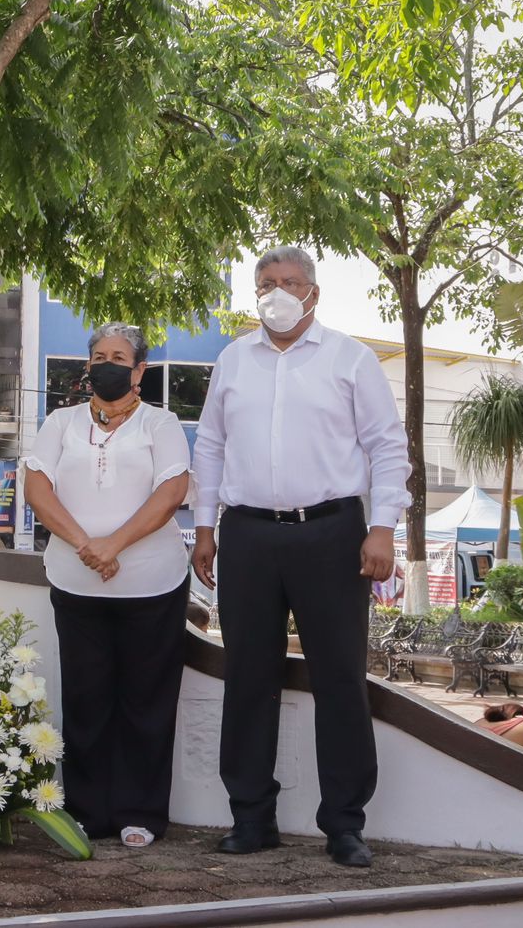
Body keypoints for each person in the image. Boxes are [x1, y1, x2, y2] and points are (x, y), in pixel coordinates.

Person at [191, 245, 410, 870]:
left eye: (289, 281)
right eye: (266, 283)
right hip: (247, 534)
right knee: (248, 676)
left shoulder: (351, 358)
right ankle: (250, 818)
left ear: (313, 292)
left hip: (332, 533)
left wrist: (383, 528)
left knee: (339, 677)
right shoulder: (233, 360)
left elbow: (387, 447)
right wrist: (204, 529)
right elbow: (210, 446)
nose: (277, 293)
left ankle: (344, 824)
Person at [24, 323, 193, 850]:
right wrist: (86, 545)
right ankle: (88, 812)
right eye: (99, 356)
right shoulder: (60, 422)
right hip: (77, 584)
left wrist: (114, 543)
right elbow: (36, 487)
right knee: (85, 699)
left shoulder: (161, 423)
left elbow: (172, 490)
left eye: (119, 357)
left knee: (147, 703)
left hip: (152, 586)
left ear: (140, 370)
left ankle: (141, 812)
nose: (107, 365)